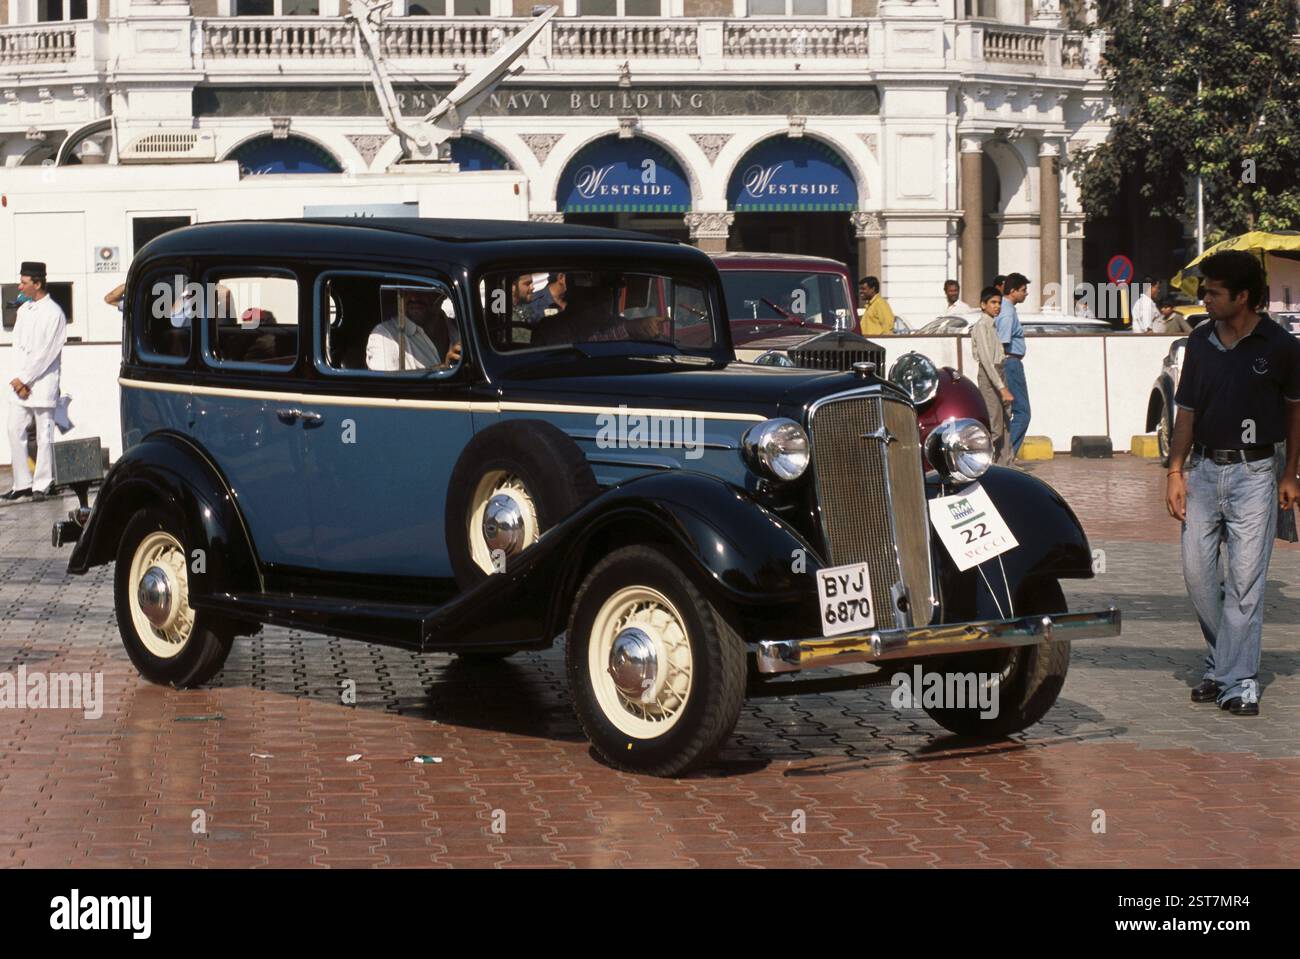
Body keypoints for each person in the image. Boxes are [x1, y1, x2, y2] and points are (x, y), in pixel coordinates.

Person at [1166, 250, 1300, 716]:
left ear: (1243, 297)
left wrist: (1289, 474)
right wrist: (1175, 471)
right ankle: (1221, 662)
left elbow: (1294, 410)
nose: (1204, 298)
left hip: (1256, 476)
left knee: (1245, 584)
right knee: (1199, 576)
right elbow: (1186, 411)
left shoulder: (1280, 346)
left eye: (1214, 292)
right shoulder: (1200, 341)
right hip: (1202, 472)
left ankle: (1238, 681)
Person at [5, 261, 68, 501]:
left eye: (24, 282)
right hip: (21, 385)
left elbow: (46, 353)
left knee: (44, 434)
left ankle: (42, 483)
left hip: (41, 383)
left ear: (38, 284)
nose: (20, 286)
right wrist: (17, 379)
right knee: (14, 428)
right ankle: (22, 482)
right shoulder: (24, 310)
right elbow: (18, 347)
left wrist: (25, 379)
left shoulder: (54, 313)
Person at [971, 286, 1015, 466]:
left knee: (1005, 422)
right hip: (990, 377)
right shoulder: (981, 326)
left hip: (1000, 372)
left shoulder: (993, 325)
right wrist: (1002, 387)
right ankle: (982, 463)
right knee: (994, 425)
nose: (997, 306)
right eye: (993, 302)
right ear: (983, 305)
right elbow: (987, 362)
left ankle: (1007, 464)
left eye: (999, 303)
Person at [366, 289, 462, 372]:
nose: (414, 297)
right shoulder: (385, 335)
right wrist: (444, 369)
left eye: (422, 288)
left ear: (443, 294)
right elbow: (387, 388)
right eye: (407, 289)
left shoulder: (461, 330)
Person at [996, 272, 1031, 455]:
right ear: (1012, 291)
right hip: (1010, 362)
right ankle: (1007, 456)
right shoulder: (1007, 313)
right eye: (1023, 290)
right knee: (1023, 413)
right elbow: (1002, 341)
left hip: (1010, 362)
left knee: (1012, 412)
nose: (1026, 294)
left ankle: (1006, 455)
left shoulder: (1007, 310)